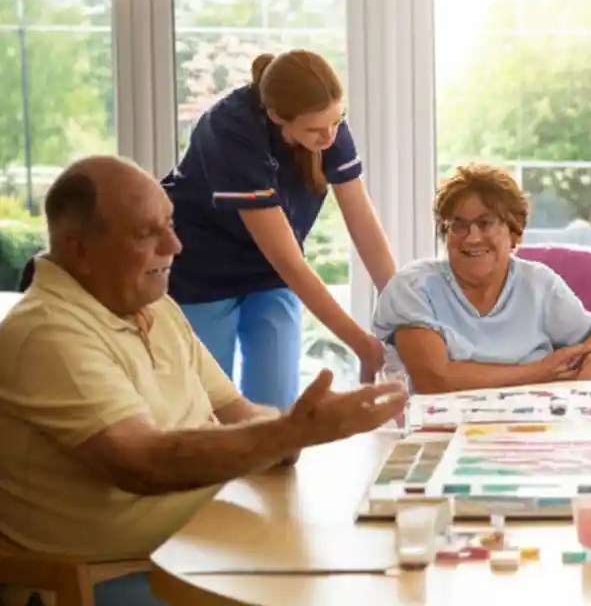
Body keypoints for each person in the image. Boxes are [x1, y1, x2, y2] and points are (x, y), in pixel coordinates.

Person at [0, 156, 407, 606]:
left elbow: (240, 413)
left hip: (195, 546)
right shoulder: (48, 332)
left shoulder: (156, 309)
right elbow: (142, 464)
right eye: (146, 233)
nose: (174, 245)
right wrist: (293, 432)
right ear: (79, 250)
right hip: (101, 580)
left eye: (170, 224)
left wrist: (302, 429)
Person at [162, 50, 397, 410]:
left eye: (337, 121)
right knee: (207, 409)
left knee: (275, 413)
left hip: (269, 275)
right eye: (317, 130)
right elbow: (290, 263)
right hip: (202, 273)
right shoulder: (229, 130)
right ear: (276, 117)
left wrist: (400, 309)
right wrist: (361, 344)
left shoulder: (325, 124)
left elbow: (362, 221)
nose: (330, 137)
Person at [372, 164, 591, 393]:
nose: (472, 238)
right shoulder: (413, 288)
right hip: (435, 432)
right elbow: (436, 380)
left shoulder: (539, 285)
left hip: (533, 429)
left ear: (515, 233)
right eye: (458, 226)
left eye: (486, 223)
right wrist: (542, 371)